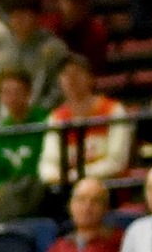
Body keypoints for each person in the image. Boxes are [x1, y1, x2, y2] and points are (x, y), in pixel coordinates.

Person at [37, 55, 131, 187]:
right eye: (65, 75)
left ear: (91, 78)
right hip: (67, 188)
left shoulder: (113, 111)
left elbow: (116, 162)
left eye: (77, 73)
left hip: (108, 187)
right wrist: (62, 177)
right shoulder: (56, 118)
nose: (71, 80)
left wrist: (78, 176)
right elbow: (47, 165)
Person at [0, 67, 50, 221]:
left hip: (40, 190)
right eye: (6, 92)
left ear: (29, 93)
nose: (12, 97)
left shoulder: (45, 121)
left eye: (17, 91)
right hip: (10, 195)